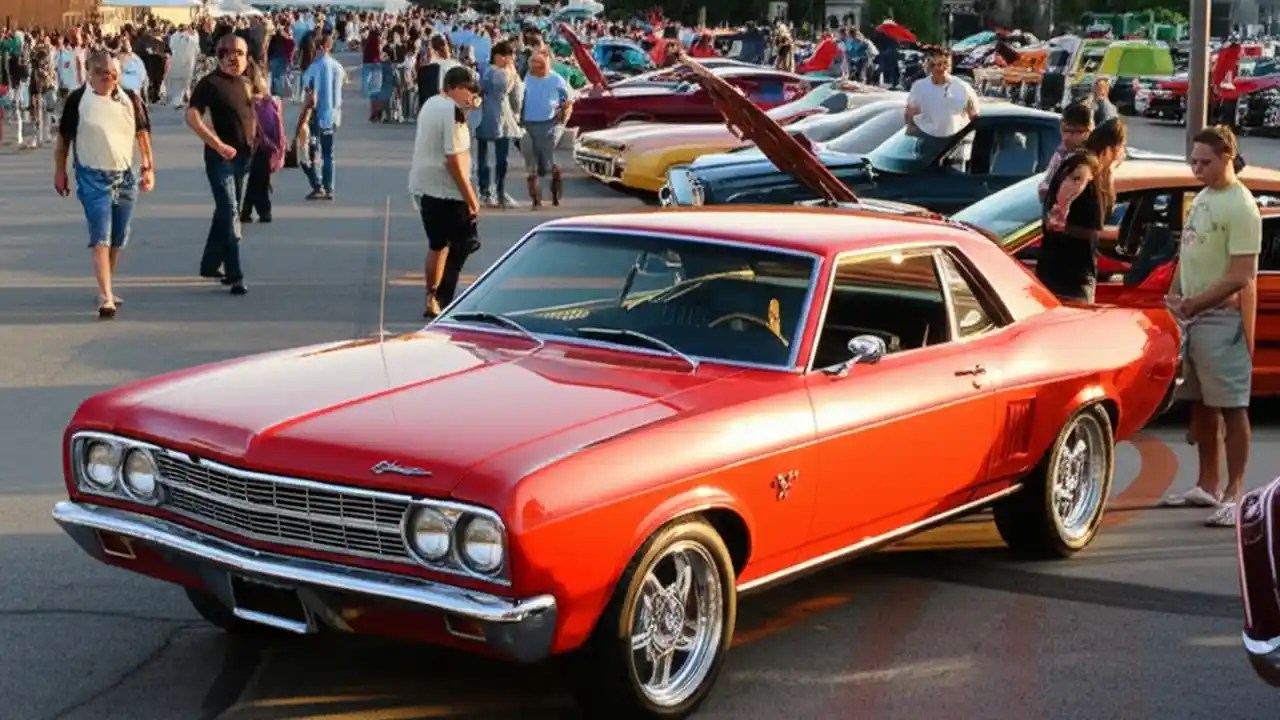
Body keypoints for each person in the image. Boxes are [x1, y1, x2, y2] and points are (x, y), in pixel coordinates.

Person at [1160, 126, 1262, 527]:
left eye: (1204, 162)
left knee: (1232, 406)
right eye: (1193, 161)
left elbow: (1241, 274)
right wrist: (1174, 299)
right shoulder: (1203, 197)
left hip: (1223, 320)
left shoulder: (1241, 206)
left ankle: (1235, 493)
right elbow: (1187, 253)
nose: (1196, 168)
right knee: (1200, 405)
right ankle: (1207, 484)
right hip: (1193, 317)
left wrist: (1194, 304)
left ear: (1226, 158)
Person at [53, 50, 155, 319]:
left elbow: (142, 134)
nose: (110, 79)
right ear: (91, 72)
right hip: (91, 177)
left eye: (114, 74)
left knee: (118, 237)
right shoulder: (78, 100)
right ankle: (105, 295)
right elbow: (64, 140)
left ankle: (107, 282)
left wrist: (148, 166)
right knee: (101, 236)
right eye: (105, 74)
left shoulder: (130, 98)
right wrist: (60, 172)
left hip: (126, 175)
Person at [409, 65, 481, 319]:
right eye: (467, 91)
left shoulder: (431, 103)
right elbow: (454, 159)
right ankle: (444, 298)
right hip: (448, 191)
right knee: (462, 245)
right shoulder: (451, 110)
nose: (471, 97)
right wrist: (471, 198)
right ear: (453, 88)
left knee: (437, 245)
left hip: (425, 186)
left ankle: (432, 297)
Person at [186, 34, 256, 296]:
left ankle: (210, 263)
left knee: (227, 210)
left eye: (239, 53)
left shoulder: (247, 83)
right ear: (218, 56)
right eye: (226, 53)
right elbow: (192, 116)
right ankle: (236, 274)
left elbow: (251, 113)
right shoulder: (210, 84)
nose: (233, 58)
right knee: (230, 211)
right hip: (219, 158)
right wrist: (216, 143)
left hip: (244, 158)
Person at [1034, 118, 1127, 303]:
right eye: (1121, 148)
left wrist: (1110, 169)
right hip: (1067, 277)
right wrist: (1061, 207)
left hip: (1077, 271)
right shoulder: (1085, 166)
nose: (1122, 154)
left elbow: (1102, 216)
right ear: (1111, 147)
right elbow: (1075, 182)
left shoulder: (1101, 172)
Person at [520, 50, 572, 208]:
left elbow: (566, 102)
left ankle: (555, 193)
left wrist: (562, 117)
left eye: (538, 65)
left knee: (548, 161)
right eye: (532, 64)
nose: (535, 68)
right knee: (531, 163)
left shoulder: (556, 80)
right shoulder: (527, 77)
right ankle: (536, 199)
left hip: (549, 123)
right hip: (528, 123)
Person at [475, 40, 523, 209]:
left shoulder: (487, 71)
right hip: (501, 114)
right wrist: (517, 114)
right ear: (500, 56)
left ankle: (489, 192)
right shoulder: (503, 73)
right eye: (509, 56)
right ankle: (496, 192)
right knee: (496, 157)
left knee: (488, 156)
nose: (511, 59)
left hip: (488, 114)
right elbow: (516, 97)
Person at [297, 32, 343, 201]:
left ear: (321, 48)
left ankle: (318, 185)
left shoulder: (315, 67)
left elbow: (309, 90)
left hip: (316, 114)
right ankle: (329, 186)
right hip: (333, 114)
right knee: (328, 153)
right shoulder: (337, 66)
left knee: (308, 153)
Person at [242, 63, 284, 223]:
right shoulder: (265, 101)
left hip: (256, 142)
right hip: (262, 143)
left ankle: (254, 209)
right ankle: (258, 209)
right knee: (259, 177)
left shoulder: (259, 101)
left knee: (256, 177)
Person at [904, 47, 979, 138]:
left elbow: (973, 115)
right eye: (936, 64)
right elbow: (910, 115)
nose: (941, 68)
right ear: (929, 66)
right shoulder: (919, 87)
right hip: (928, 141)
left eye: (945, 63)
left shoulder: (962, 87)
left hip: (955, 141)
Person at [1038, 102, 1094, 202]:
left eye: (1074, 132)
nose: (1066, 138)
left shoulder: (1087, 163)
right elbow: (1045, 183)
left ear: (1088, 132)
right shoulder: (1061, 154)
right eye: (1064, 130)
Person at [168, 24, 198, 108]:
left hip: (178, 62)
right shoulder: (192, 38)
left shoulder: (175, 36)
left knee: (178, 82)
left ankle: (179, 100)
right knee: (185, 81)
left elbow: (171, 47)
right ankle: (182, 98)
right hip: (187, 63)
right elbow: (197, 50)